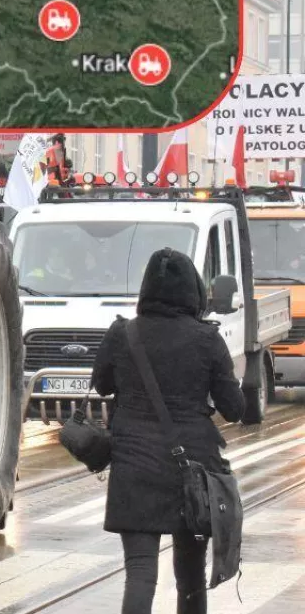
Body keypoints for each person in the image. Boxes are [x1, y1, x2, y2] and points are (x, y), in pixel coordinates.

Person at [91, 247, 245, 614]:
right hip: (191, 473)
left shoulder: (122, 333)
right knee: (190, 574)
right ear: (193, 290)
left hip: (133, 467)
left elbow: (101, 385)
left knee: (140, 573)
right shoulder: (207, 339)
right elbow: (234, 409)